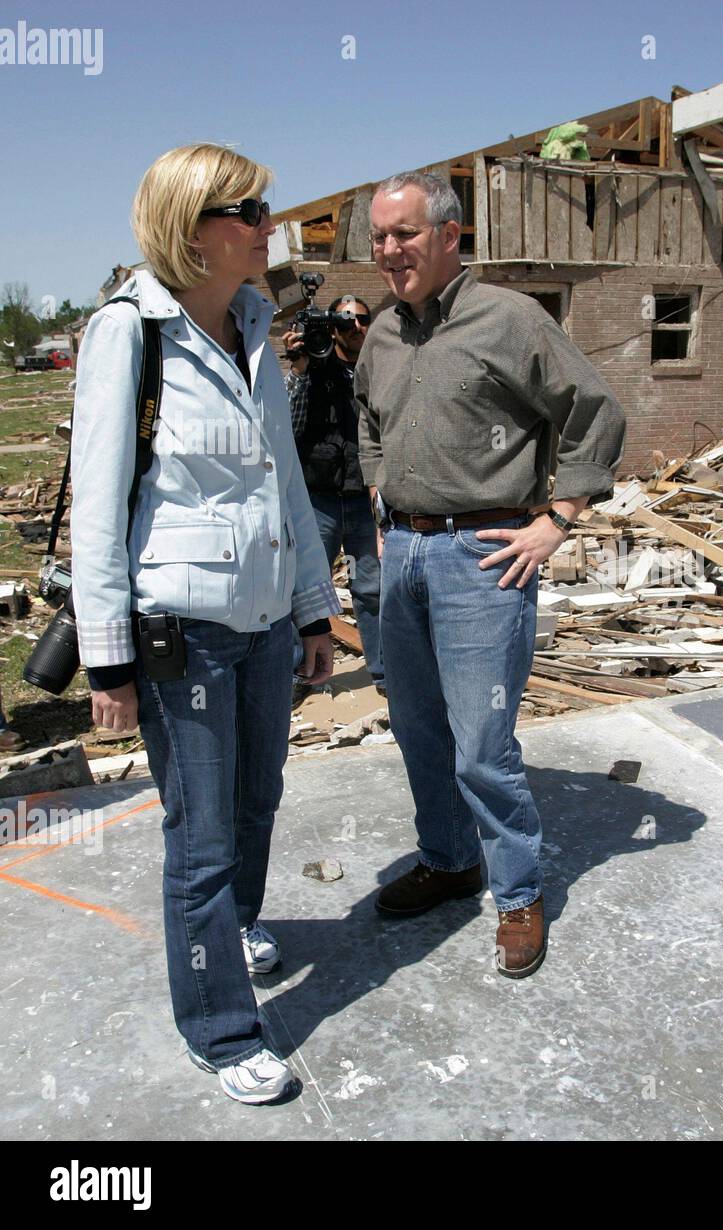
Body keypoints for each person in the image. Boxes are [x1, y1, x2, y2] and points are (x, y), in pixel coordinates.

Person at [70, 143, 341, 1104]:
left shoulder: (256, 325)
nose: (268, 222)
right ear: (192, 228)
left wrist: (316, 611)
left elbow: (285, 484)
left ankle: (234, 932)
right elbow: (99, 503)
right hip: (181, 627)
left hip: (267, 621)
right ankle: (222, 1030)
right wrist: (107, 661)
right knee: (203, 838)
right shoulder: (128, 333)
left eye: (264, 204)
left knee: (258, 801)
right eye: (248, 208)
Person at [356, 170, 625, 978]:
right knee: (418, 725)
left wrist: (558, 520)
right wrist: (379, 497)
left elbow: (594, 411)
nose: (388, 250)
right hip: (401, 551)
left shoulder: (509, 320)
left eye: (403, 233)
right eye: (377, 236)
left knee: (481, 745)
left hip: (484, 557)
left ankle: (517, 893)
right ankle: (449, 860)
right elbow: (370, 422)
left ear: (449, 235)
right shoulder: (382, 332)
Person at [282, 296, 384, 697]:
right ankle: (299, 675)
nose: (355, 328)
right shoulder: (313, 367)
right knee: (305, 592)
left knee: (371, 589)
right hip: (317, 502)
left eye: (362, 320)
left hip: (363, 499)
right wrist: (301, 368)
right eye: (346, 322)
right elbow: (289, 425)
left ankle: (384, 674)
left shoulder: (376, 368)